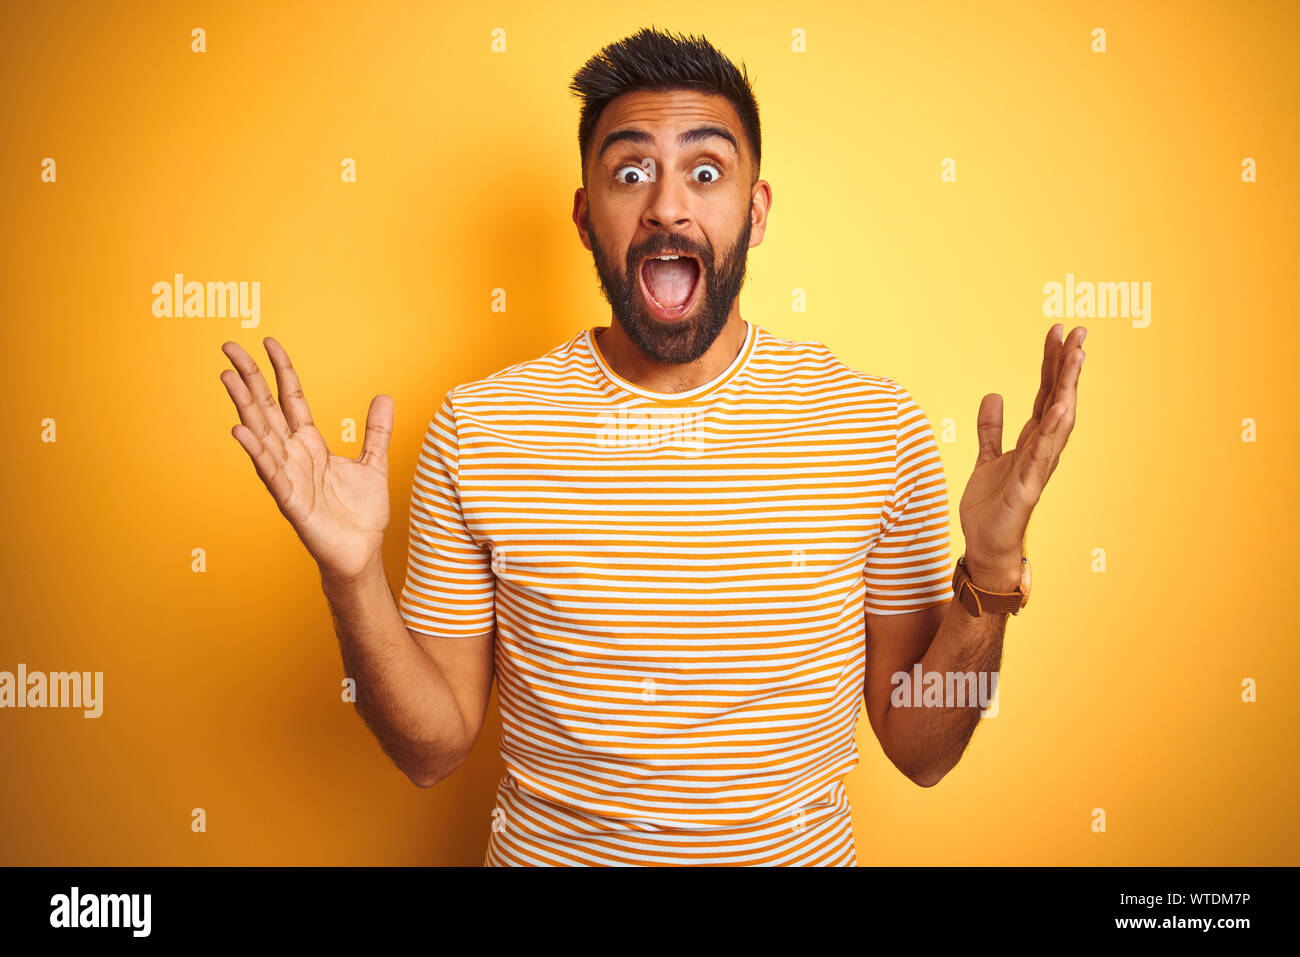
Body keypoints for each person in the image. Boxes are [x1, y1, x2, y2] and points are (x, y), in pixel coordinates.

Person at [218, 27, 1085, 866]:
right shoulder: (478, 429)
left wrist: (993, 568)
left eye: (705, 172)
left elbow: (923, 747)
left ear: (756, 209)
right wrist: (351, 575)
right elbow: (430, 750)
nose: (668, 204)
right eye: (631, 171)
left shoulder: (874, 427)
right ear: (587, 216)